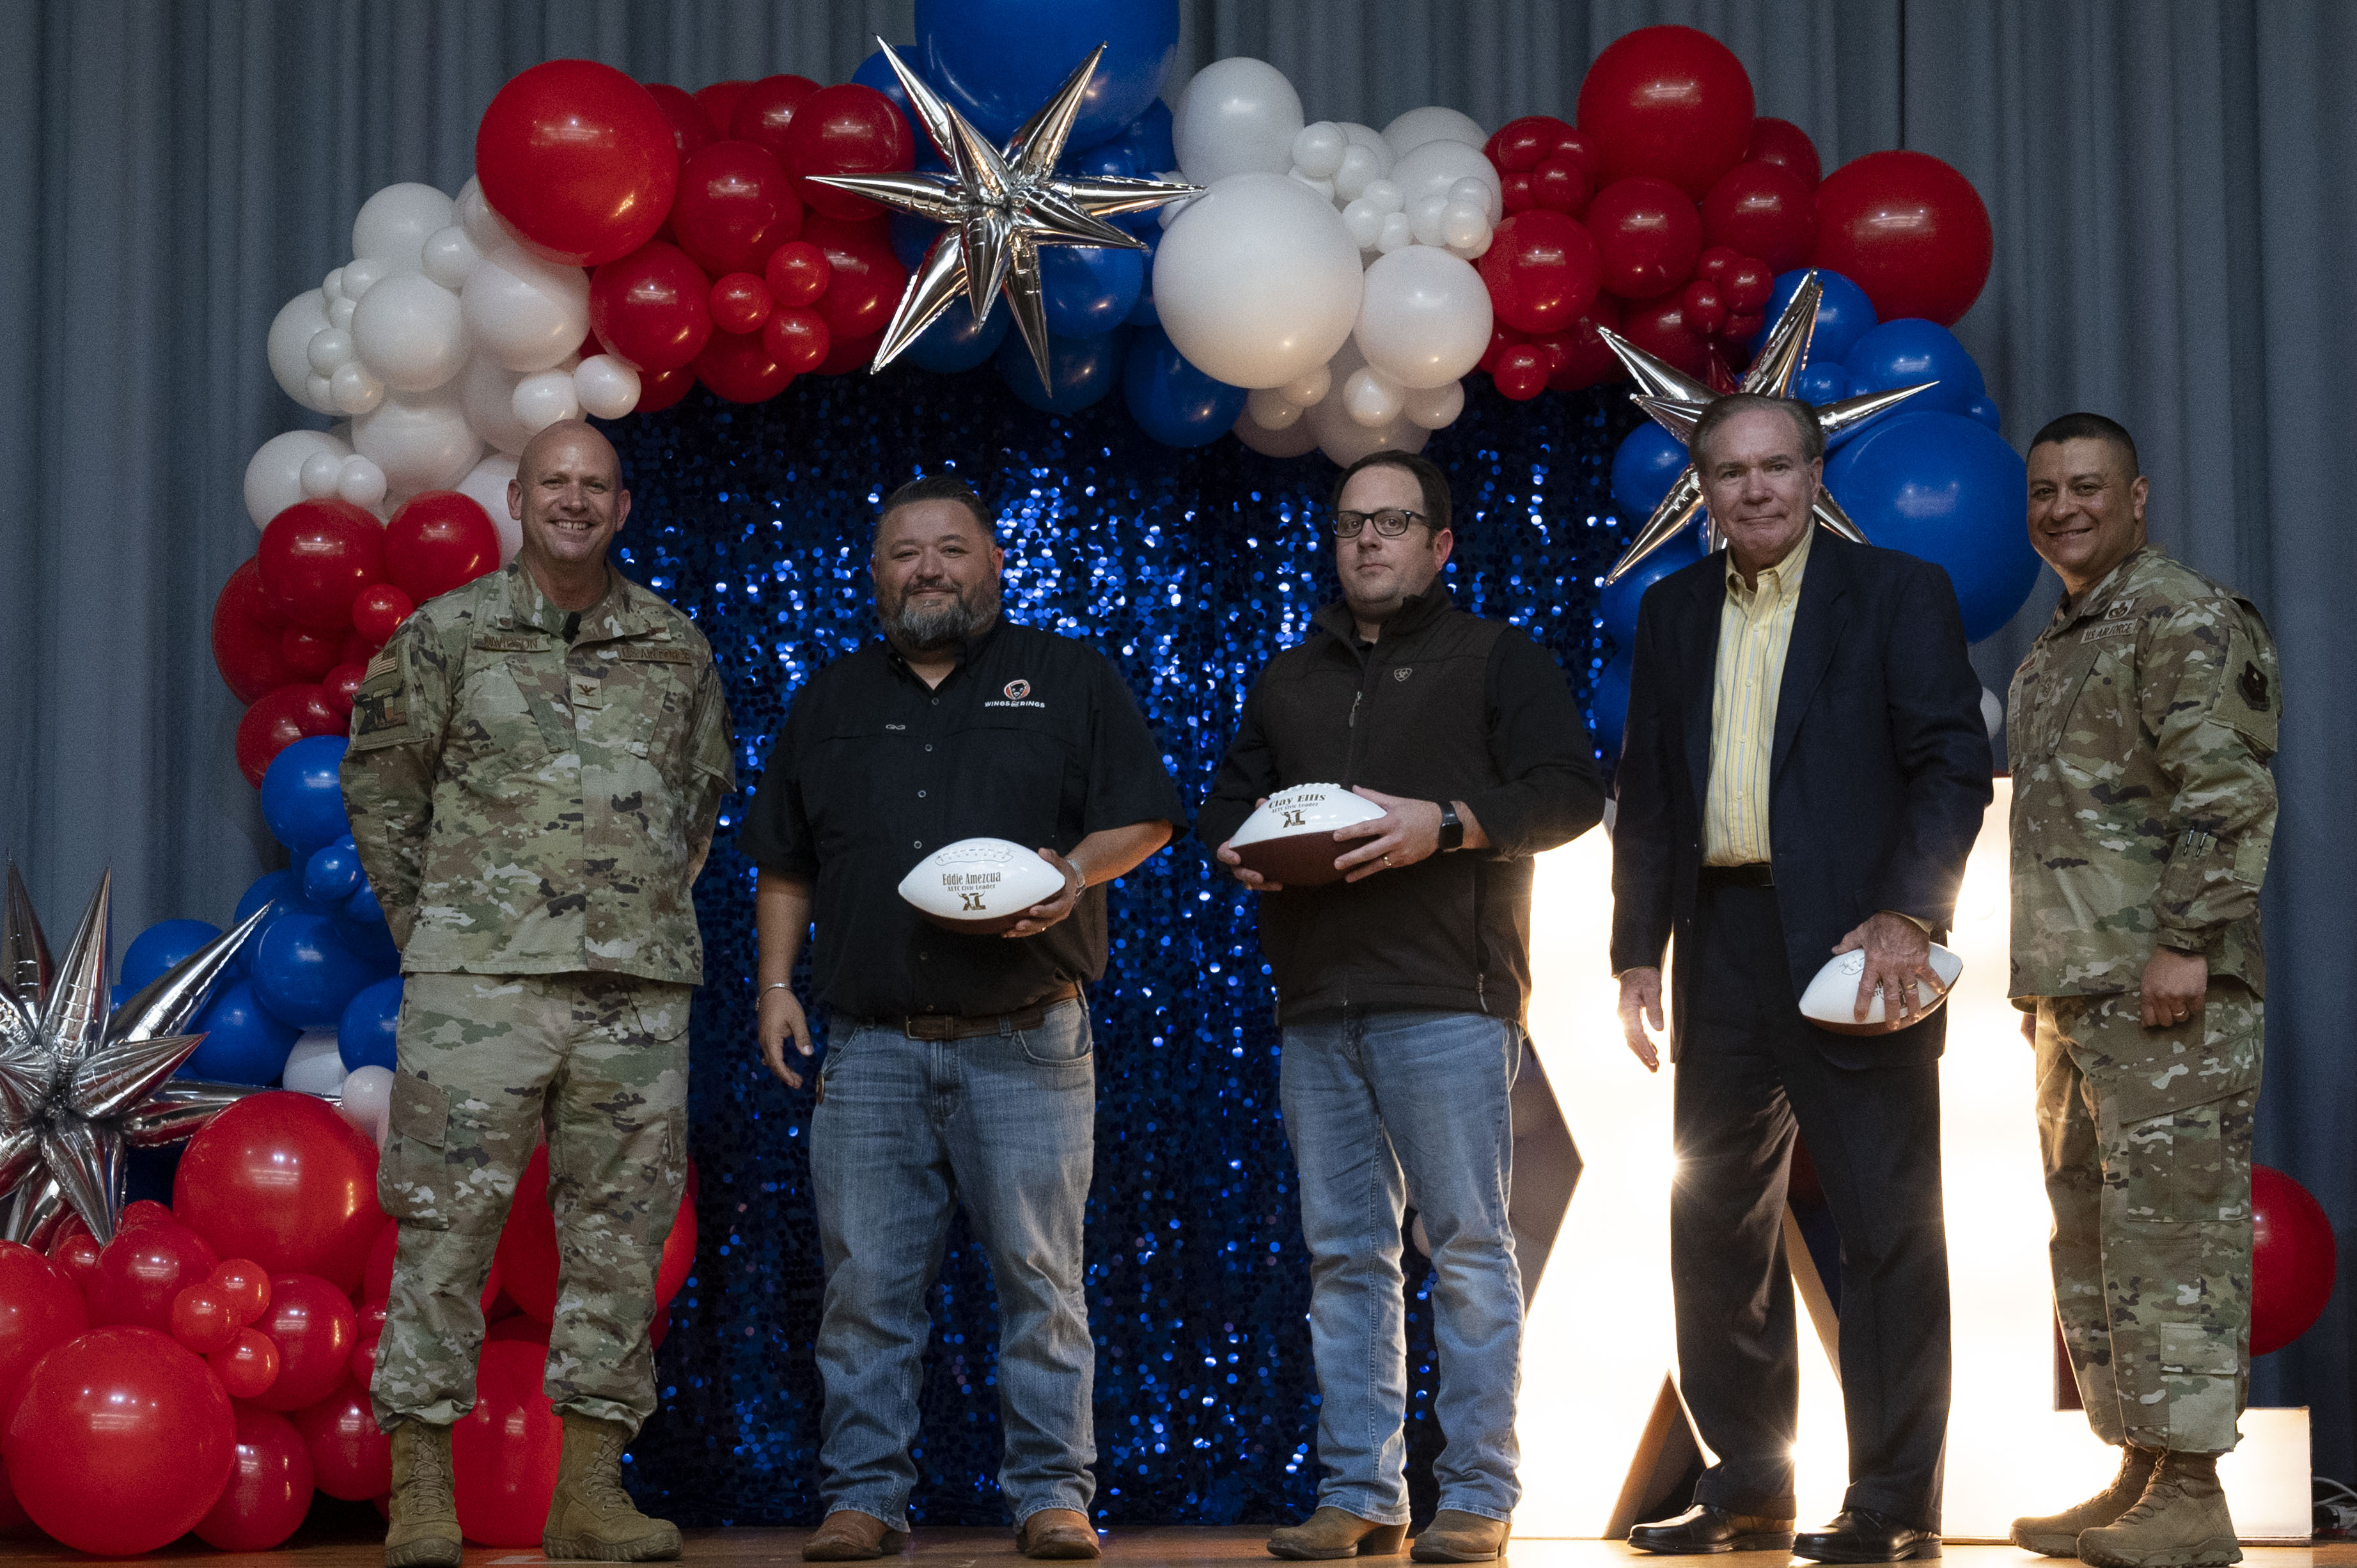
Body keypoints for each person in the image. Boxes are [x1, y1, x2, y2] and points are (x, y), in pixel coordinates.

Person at [740, 474, 1183, 1564]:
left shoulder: (1070, 678)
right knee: (866, 1291)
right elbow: (786, 866)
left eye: (949, 549)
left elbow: (1146, 819)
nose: (926, 569)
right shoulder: (830, 700)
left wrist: (1075, 873)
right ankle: (863, 1498)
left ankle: (1051, 1496)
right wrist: (774, 985)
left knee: (1041, 1285)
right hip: (874, 1046)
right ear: (876, 572)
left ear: (993, 564)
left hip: (1030, 1038)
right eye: (903, 553)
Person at [1199, 450, 1603, 1565]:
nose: (1367, 539)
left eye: (1392, 521)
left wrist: (1451, 821)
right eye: (1349, 523)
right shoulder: (1290, 678)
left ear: (1440, 544)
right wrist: (1238, 850)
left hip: (1448, 998)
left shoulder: (1496, 659)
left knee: (1469, 1247)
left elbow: (1570, 791)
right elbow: (1225, 807)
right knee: (1344, 1257)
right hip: (1315, 1005)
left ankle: (1475, 1493)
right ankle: (1361, 1495)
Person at [343, 419, 735, 1567]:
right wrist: (444, 931)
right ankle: (421, 1491)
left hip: (634, 991)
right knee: (442, 1230)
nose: (575, 499)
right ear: (516, 502)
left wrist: (634, 916)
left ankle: (590, 1495)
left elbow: (697, 805)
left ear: (622, 508)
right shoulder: (445, 637)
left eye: (596, 485)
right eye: (553, 481)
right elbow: (383, 791)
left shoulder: (675, 647)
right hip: (478, 987)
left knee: (618, 1239)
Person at [1611, 395, 1991, 1563]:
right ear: (1704, 492)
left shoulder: (1896, 594)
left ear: (1815, 473)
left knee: (1886, 1232)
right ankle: (1751, 1487)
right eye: (1728, 473)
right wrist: (1634, 949)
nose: (1754, 490)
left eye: (1775, 466)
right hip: (1717, 940)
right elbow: (1653, 794)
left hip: (1853, 950)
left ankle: (1890, 1506)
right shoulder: (1672, 612)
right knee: (1714, 1231)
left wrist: (1906, 914)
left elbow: (1949, 767)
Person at [2003, 414, 2276, 1568]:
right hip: (2077, 998)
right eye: (2046, 491)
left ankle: (2195, 1496)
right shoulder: (2060, 640)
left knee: (2173, 1237)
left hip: (2166, 991)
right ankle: (2139, 1472)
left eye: (2087, 486)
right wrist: (2040, 991)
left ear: (2136, 495)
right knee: (2100, 1240)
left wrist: (2184, 942)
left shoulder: (2178, 614)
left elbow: (2227, 794)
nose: (2064, 507)